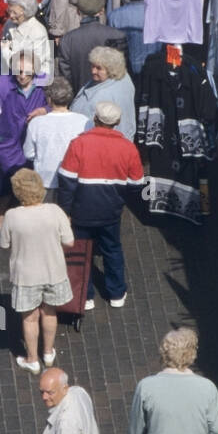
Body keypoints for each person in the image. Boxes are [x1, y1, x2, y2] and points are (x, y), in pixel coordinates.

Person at [57, 99, 144, 309]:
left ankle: (85, 296)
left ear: (95, 119)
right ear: (118, 122)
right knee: (112, 249)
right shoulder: (128, 148)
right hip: (111, 211)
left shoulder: (79, 144)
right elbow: (137, 183)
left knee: (80, 251)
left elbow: (67, 181)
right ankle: (116, 294)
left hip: (81, 210)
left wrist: (65, 211)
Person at [1, 170, 73, 373]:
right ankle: (48, 352)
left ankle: (32, 359)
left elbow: (5, 244)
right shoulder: (55, 211)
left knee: (30, 317)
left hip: (26, 276)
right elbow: (69, 241)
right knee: (49, 313)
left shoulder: (12, 216)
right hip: (54, 272)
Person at [0, 52, 47, 242]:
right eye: (18, 71)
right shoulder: (2, 85)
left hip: (32, 143)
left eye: (28, 73)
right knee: (6, 184)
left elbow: (59, 103)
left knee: (30, 184)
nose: (22, 76)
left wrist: (45, 110)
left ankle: (26, 225)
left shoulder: (45, 83)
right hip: (7, 143)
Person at [23, 76, 89, 200]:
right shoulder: (84, 121)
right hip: (74, 178)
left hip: (44, 179)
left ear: (49, 99)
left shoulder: (37, 123)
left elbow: (29, 153)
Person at [56, 0, 127, 96]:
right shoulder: (117, 35)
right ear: (102, 11)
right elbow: (122, 71)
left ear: (77, 11)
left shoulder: (67, 40)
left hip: (79, 99)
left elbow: (65, 76)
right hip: (111, 98)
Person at [72, 46, 136, 143]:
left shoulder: (108, 94)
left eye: (98, 68)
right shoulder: (118, 79)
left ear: (111, 70)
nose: (93, 71)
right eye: (92, 66)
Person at [108, 0, 155, 76]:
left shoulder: (114, 17)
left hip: (127, 71)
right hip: (156, 70)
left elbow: (112, 49)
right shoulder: (159, 12)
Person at [0, 0, 50, 76]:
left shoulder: (38, 32)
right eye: (9, 11)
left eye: (15, 13)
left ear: (26, 11)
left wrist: (5, 51)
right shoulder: (10, 23)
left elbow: (29, 66)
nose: (11, 15)